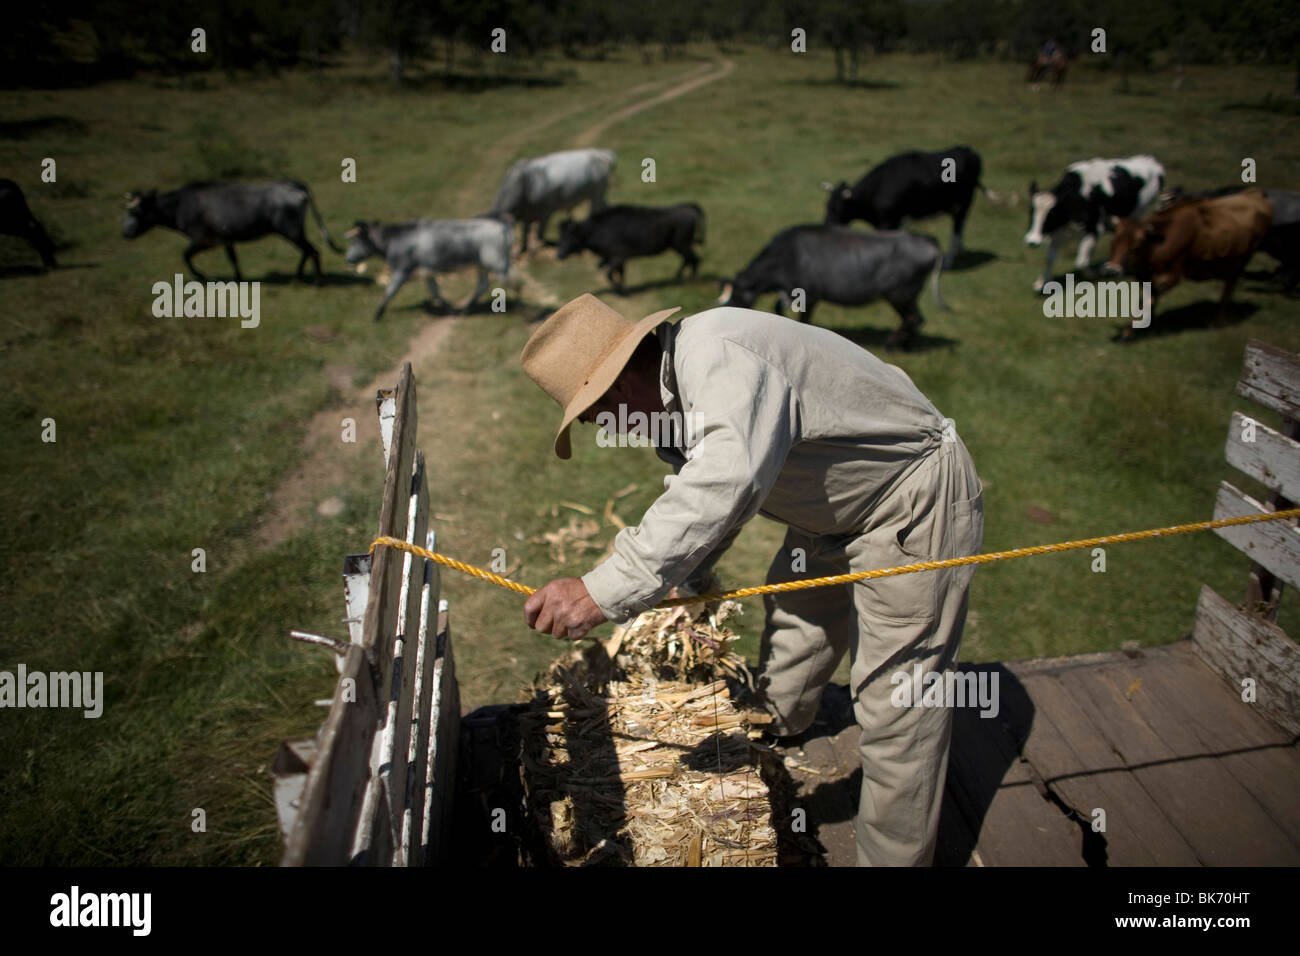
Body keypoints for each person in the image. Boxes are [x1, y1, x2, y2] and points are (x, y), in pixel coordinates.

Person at [519, 293, 984, 866]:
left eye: (593, 416)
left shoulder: (720, 358)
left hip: (910, 501)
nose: (604, 429)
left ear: (614, 388)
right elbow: (710, 485)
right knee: (797, 620)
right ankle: (778, 733)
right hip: (832, 505)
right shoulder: (675, 393)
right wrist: (688, 579)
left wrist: (601, 590)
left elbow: (723, 481)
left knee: (898, 702)